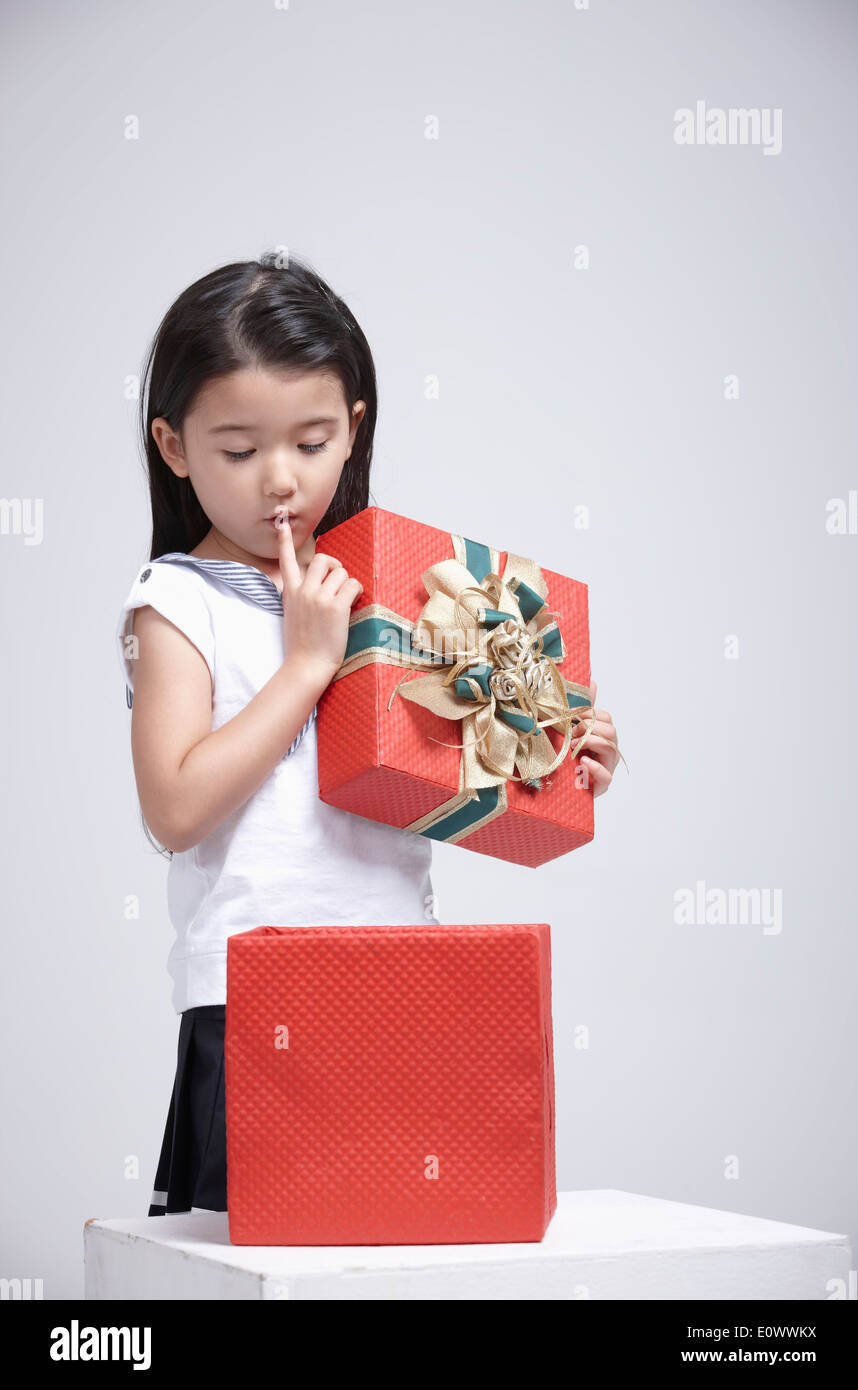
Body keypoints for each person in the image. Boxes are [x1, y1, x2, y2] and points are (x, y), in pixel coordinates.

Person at [115, 250, 620, 1218]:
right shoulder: (177, 599)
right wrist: (306, 665)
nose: (279, 481)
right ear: (173, 447)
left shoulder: (390, 592)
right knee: (266, 1267)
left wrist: (560, 755)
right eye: (236, 448)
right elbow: (174, 808)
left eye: (310, 442)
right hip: (253, 994)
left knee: (401, 1256)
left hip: (404, 980)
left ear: (352, 429)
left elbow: (449, 784)